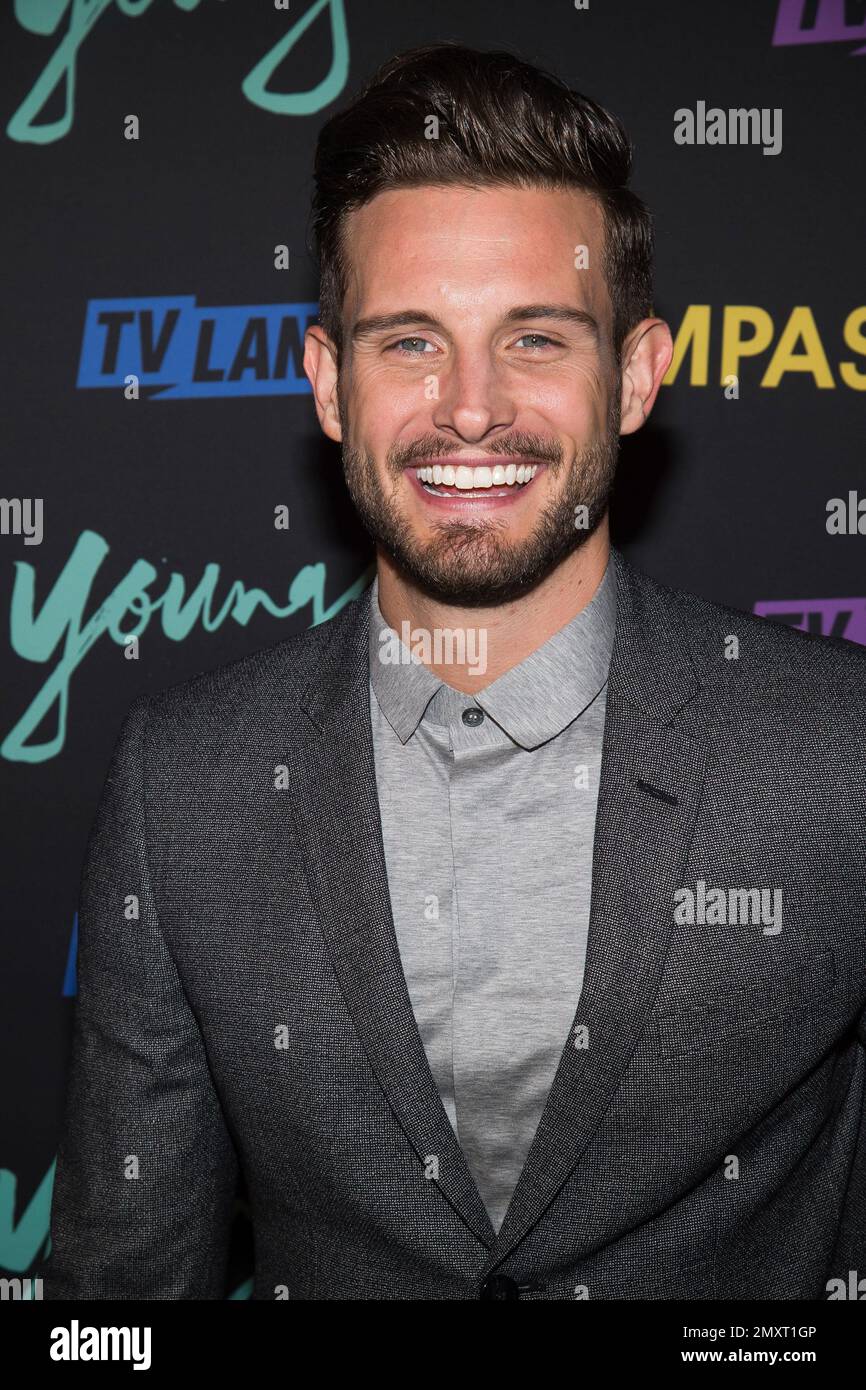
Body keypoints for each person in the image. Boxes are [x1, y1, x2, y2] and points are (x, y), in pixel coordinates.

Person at [45, 43, 866, 1301]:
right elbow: (120, 1300)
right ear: (328, 384)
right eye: (408, 343)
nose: (468, 408)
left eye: (533, 338)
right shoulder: (184, 786)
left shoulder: (840, 750)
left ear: (635, 374)